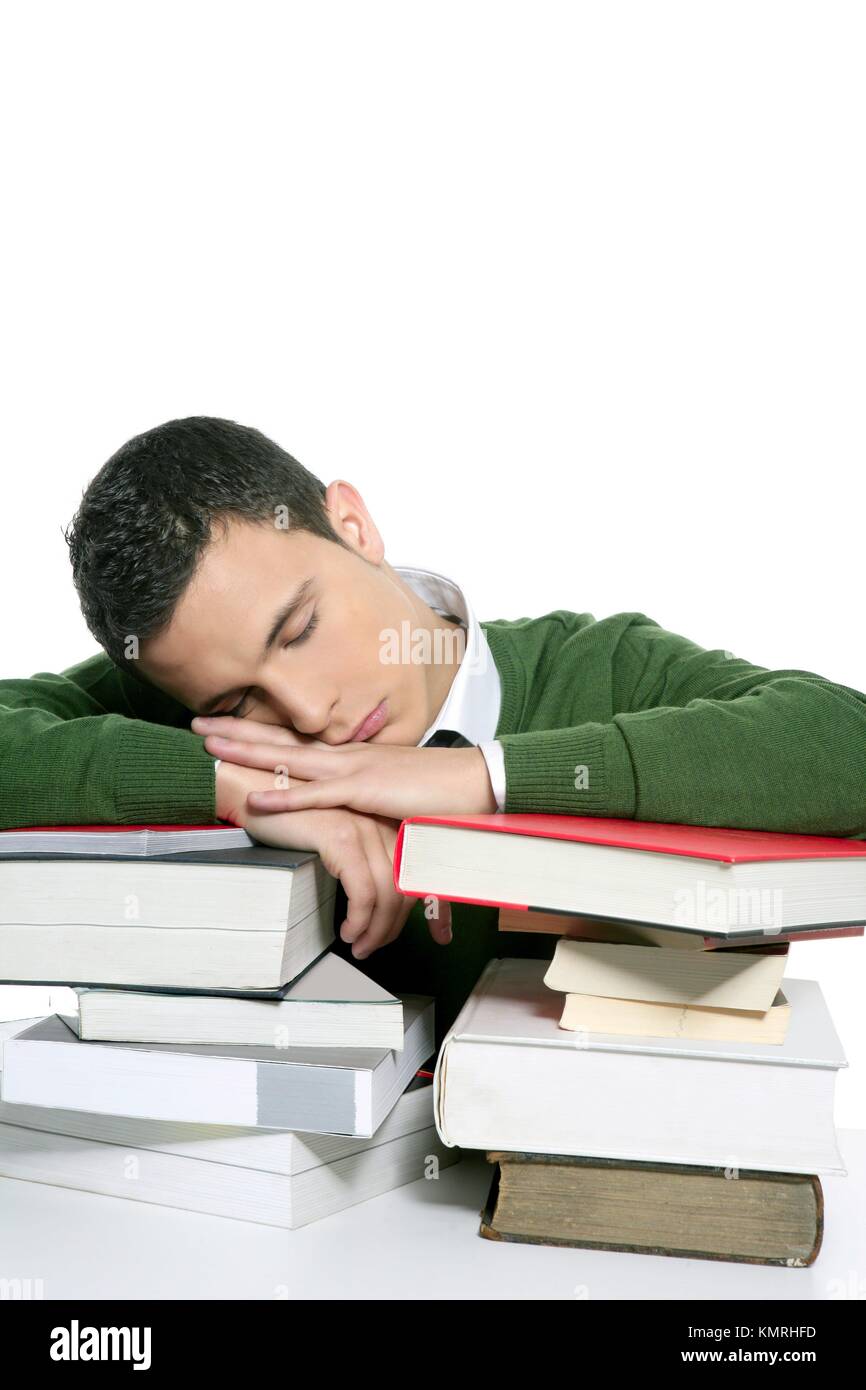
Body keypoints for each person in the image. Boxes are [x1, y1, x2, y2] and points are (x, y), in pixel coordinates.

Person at [2, 416, 864, 1037]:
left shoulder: (602, 669)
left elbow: (845, 743)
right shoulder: (197, 725)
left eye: (300, 630)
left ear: (354, 524)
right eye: (237, 705)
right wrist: (228, 783)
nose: (305, 715)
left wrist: (477, 780)